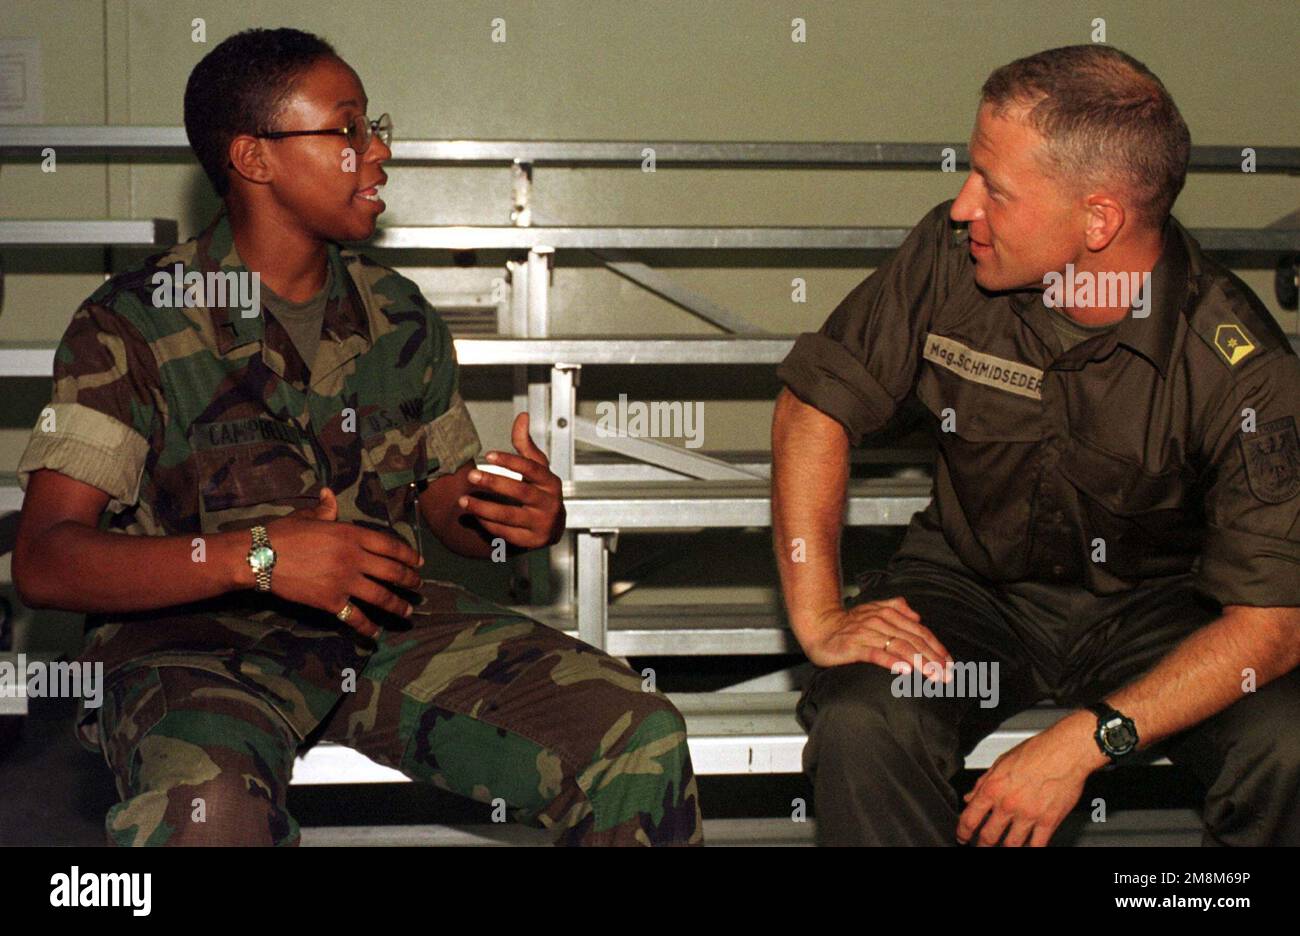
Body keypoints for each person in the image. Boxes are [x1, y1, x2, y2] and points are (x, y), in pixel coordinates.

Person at [12, 27, 702, 847]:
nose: (376, 154)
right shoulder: (130, 323)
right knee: (208, 811)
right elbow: (46, 560)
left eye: (376, 128)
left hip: (386, 629)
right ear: (255, 157)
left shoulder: (398, 313)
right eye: (346, 129)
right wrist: (262, 556)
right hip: (193, 648)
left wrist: (510, 515)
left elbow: (450, 508)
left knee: (636, 734)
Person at [771, 44, 1300, 846]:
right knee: (864, 720)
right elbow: (816, 405)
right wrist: (818, 619)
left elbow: (1270, 626)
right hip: (974, 592)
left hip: (1163, 612)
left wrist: (1087, 741)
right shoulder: (949, 262)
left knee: (1288, 744)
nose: (962, 206)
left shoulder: (1239, 367)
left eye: (995, 187)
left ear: (1099, 220)